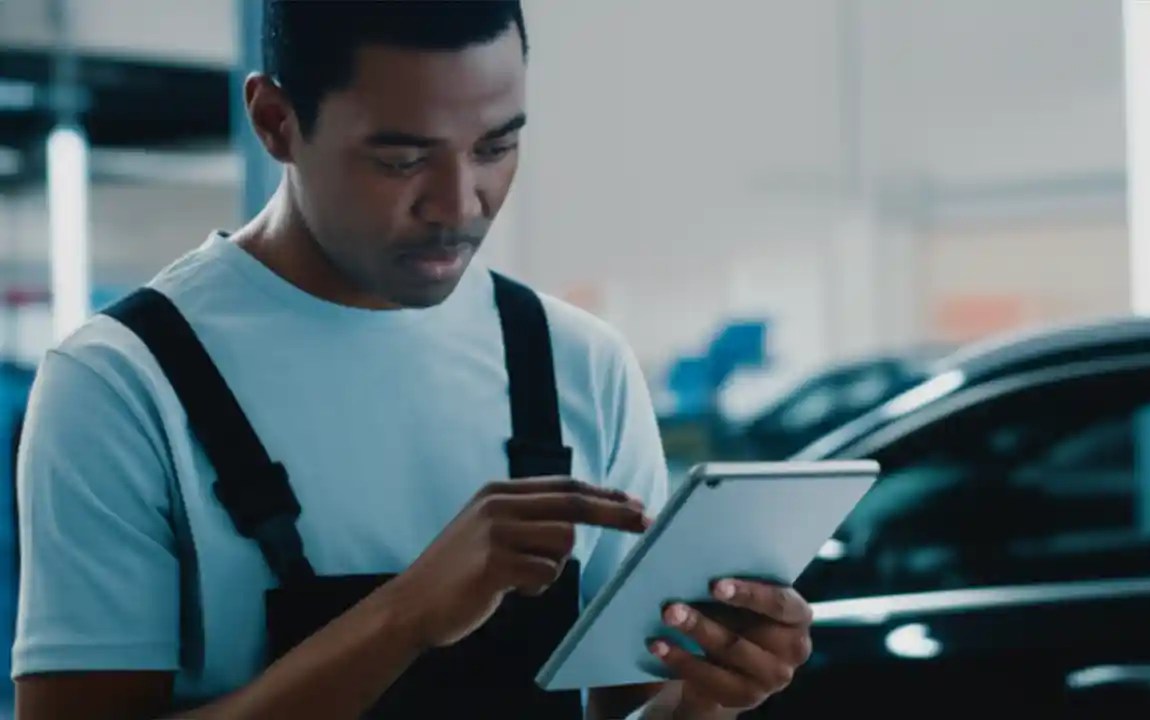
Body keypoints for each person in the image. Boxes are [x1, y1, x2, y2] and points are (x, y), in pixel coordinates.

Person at [11, 2, 814, 718]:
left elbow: (631, 709)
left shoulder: (580, 364)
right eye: (401, 160)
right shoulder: (123, 385)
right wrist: (404, 619)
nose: (459, 203)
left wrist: (707, 698)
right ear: (276, 122)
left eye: (496, 146)